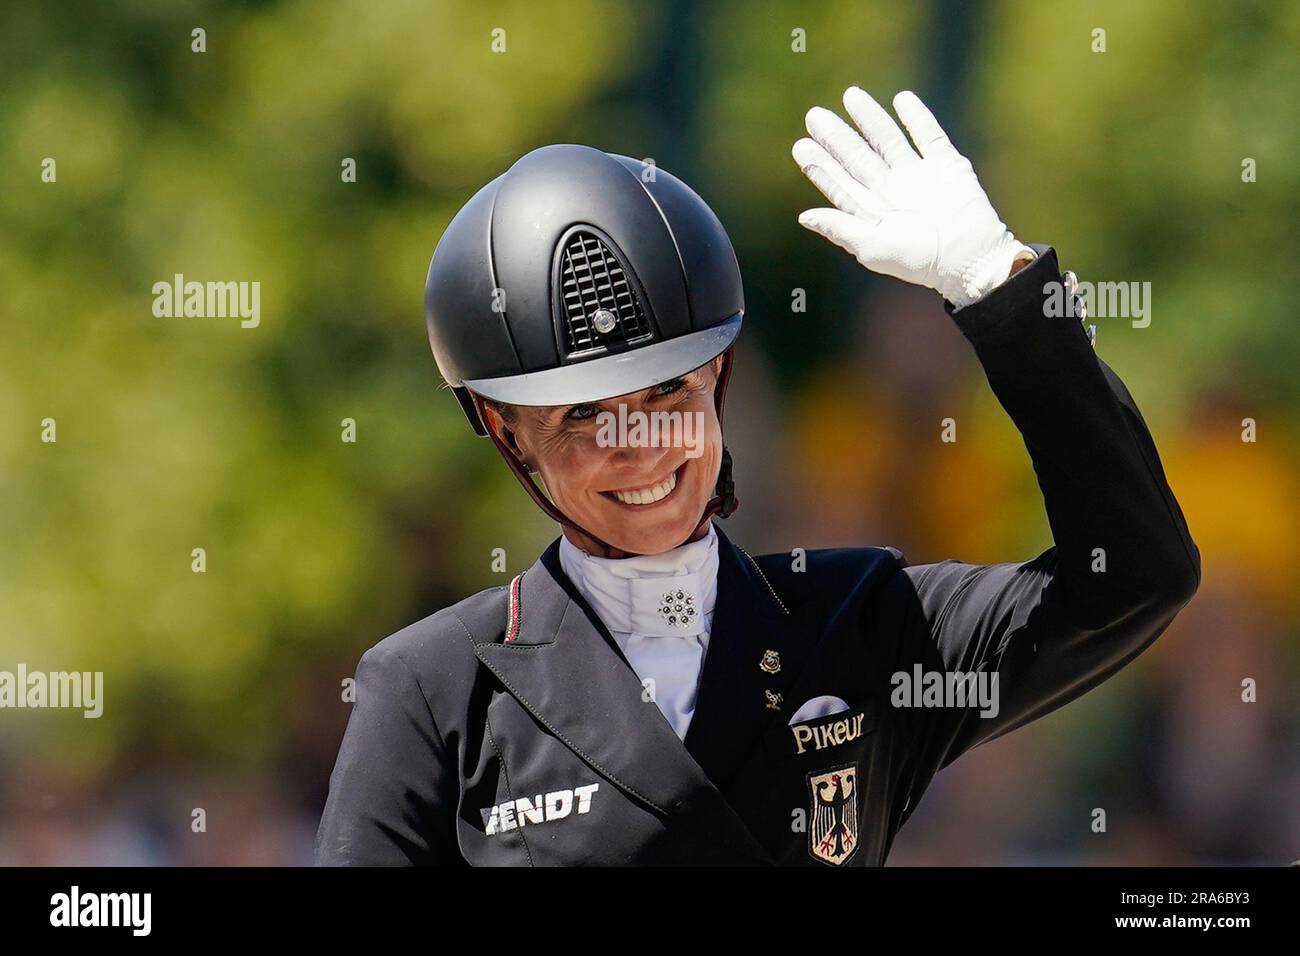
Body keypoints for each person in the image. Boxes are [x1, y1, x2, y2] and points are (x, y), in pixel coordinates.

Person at [315, 87, 1199, 866]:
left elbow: (1134, 577)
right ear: (509, 435)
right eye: (582, 415)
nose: (644, 444)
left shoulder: (863, 625)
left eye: (669, 389)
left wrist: (1002, 295)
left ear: (720, 379)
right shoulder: (432, 691)